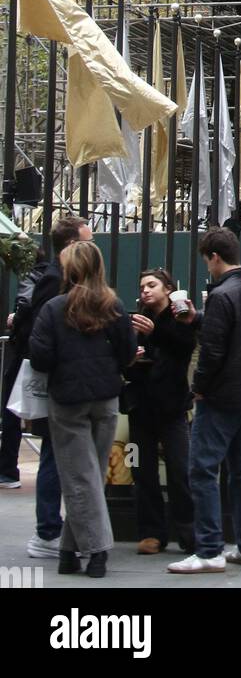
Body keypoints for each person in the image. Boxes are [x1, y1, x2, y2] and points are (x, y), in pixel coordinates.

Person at [28, 240, 137, 579]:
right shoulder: (114, 306)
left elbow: (41, 357)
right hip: (105, 398)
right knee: (90, 476)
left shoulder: (54, 309)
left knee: (80, 477)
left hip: (69, 400)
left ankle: (97, 550)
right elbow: (128, 352)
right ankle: (67, 552)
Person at [168, 227, 241, 575]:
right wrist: (198, 319)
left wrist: (199, 386)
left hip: (221, 395)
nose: (207, 267)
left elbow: (213, 350)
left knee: (203, 470)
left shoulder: (222, 295)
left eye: (207, 261)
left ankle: (209, 548)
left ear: (214, 257)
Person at [6, 216, 92, 557]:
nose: (92, 247)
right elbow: (39, 336)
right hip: (58, 385)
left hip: (66, 382)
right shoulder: (55, 280)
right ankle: (48, 531)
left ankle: (55, 530)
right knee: (56, 457)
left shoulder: (66, 279)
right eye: (87, 241)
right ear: (71, 245)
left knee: (62, 457)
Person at [125, 268, 196, 556]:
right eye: (142, 286)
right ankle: (151, 532)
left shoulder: (179, 316)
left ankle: (188, 531)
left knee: (180, 469)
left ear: (167, 288)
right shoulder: (136, 319)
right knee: (142, 471)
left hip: (172, 405)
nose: (145, 290)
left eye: (152, 285)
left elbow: (184, 347)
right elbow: (124, 356)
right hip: (140, 404)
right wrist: (132, 355)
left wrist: (156, 333)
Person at [1, 248, 50, 487]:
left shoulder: (29, 277)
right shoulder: (53, 276)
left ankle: (8, 469)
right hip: (44, 351)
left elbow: (24, 304)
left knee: (10, 408)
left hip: (24, 350)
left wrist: (15, 321)